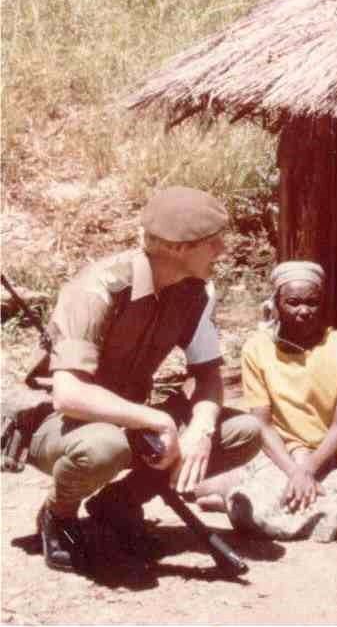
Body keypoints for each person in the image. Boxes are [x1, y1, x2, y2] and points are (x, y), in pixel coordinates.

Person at [27, 186, 262, 572]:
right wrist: (156, 419)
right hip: (62, 424)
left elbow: (208, 375)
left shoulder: (194, 293)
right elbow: (67, 396)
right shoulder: (96, 289)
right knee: (104, 447)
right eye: (212, 242)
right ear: (177, 248)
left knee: (243, 430)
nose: (222, 250)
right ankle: (59, 515)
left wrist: (200, 429)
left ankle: (118, 504)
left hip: (131, 419)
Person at [194, 261, 337, 526]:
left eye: (312, 302)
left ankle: (232, 488)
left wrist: (307, 470)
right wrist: (294, 471)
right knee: (253, 515)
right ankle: (234, 488)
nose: (303, 311)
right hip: (278, 456)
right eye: (293, 302)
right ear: (275, 303)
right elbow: (261, 423)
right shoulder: (257, 349)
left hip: (329, 459)